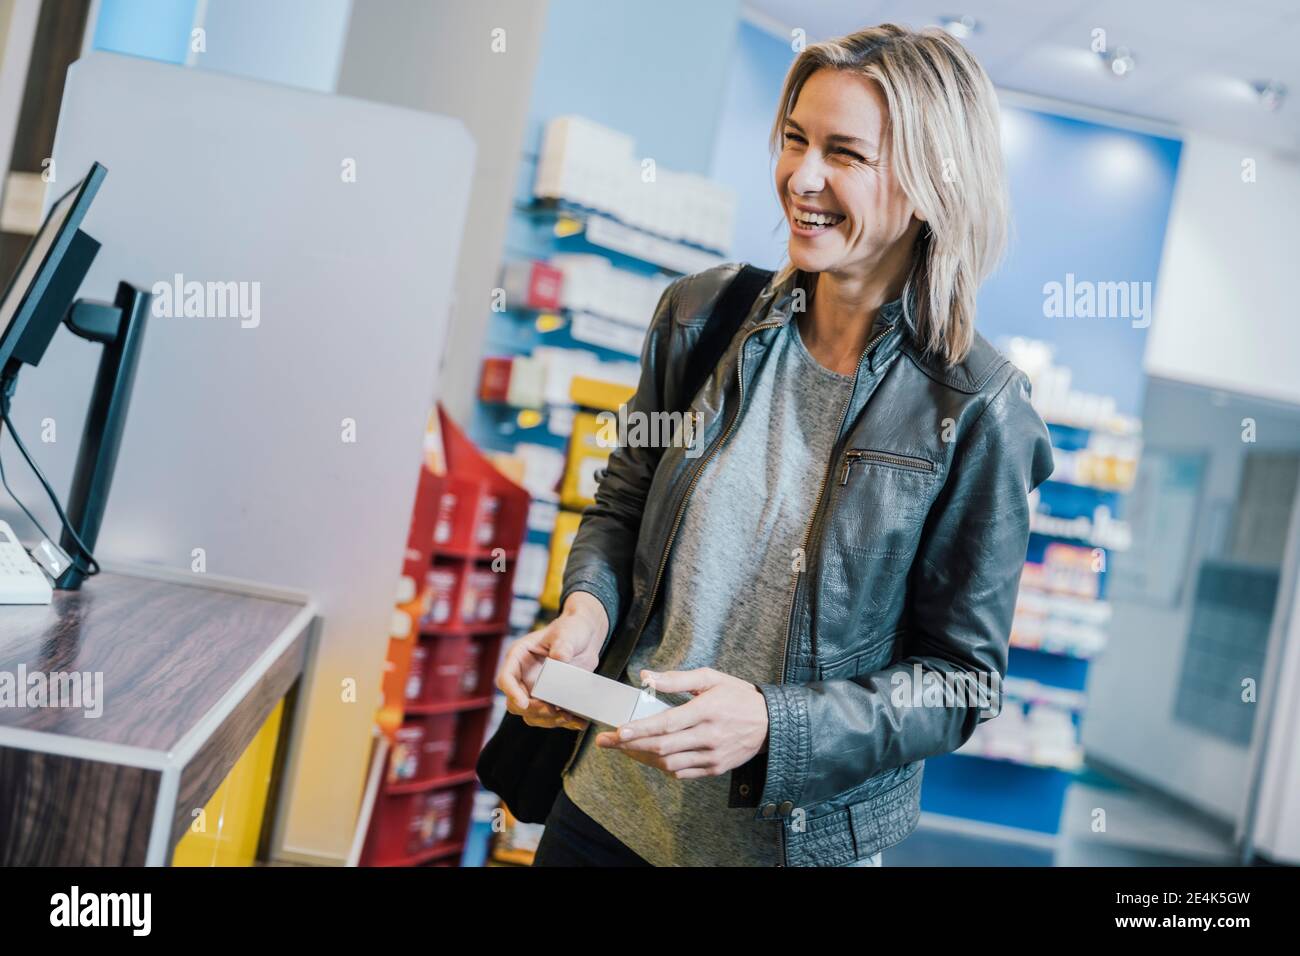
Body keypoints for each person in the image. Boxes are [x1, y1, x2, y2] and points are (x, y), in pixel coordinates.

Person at [498, 23, 1055, 867]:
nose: (801, 176)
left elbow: (960, 682)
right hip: (603, 815)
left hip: (788, 848)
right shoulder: (701, 316)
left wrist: (773, 723)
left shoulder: (980, 409)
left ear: (933, 179)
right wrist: (587, 614)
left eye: (844, 153)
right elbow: (623, 502)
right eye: (794, 139)